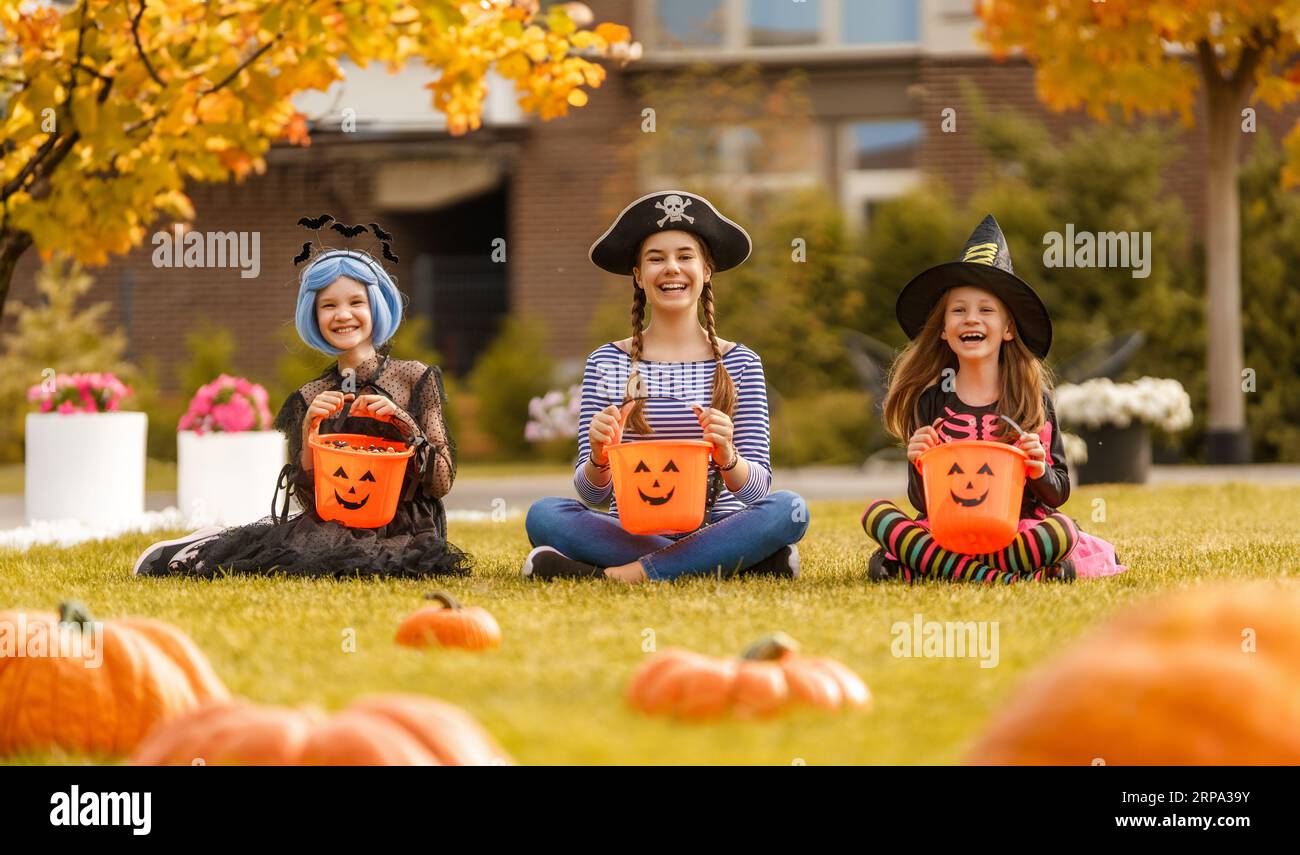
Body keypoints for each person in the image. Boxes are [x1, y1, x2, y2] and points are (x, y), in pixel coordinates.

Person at [133, 218, 469, 578]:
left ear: (376, 307)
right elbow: (314, 503)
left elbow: (442, 483)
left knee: (377, 564)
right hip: (338, 524)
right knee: (298, 553)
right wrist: (310, 430)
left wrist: (405, 423)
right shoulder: (310, 396)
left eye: (356, 302)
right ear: (314, 314)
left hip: (407, 527)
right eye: (328, 306)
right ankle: (202, 548)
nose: (343, 315)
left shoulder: (414, 378)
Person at [522, 190, 808, 583]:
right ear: (638, 275)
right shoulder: (607, 362)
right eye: (656, 258)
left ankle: (620, 575)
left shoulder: (742, 363)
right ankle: (733, 564)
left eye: (684, 256)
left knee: (789, 508)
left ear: (707, 269)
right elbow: (593, 497)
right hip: (633, 530)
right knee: (544, 515)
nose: (671, 268)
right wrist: (599, 457)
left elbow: (756, 493)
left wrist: (727, 456)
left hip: (719, 525)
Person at [863, 214, 1125, 583]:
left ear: (1007, 329)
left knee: (1061, 530)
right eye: (959, 310)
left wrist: (1038, 470)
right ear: (942, 330)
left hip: (1016, 529)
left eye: (986, 310)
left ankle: (941, 569)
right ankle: (1015, 573)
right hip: (948, 530)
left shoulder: (1033, 400)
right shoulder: (931, 402)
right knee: (878, 515)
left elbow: (1058, 492)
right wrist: (919, 462)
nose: (971, 319)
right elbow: (923, 504)